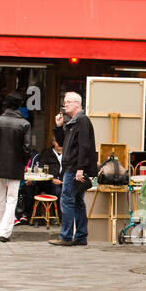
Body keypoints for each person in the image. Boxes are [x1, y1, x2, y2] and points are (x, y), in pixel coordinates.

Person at [50, 91, 97, 247]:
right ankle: (81, 236)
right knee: (77, 201)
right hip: (72, 167)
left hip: (74, 168)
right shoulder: (73, 122)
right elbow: (63, 143)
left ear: (78, 103)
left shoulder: (82, 120)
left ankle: (66, 236)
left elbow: (85, 146)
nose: (65, 104)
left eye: (68, 101)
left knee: (67, 200)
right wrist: (58, 126)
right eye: (65, 101)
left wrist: (80, 168)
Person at [0, 92, 32, 243]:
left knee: (0, 196)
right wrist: (23, 161)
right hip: (16, 164)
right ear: (19, 105)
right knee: (12, 197)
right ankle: (5, 231)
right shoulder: (24, 124)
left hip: (0, 162)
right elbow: (27, 148)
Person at [18, 138, 63, 226]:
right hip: (48, 182)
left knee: (61, 191)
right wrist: (52, 179)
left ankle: (59, 217)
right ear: (53, 142)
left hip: (64, 181)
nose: (60, 144)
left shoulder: (68, 154)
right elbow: (41, 169)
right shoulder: (47, 153)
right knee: (31, 189)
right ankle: (32, 217)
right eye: (57, 141)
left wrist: (63, 180)